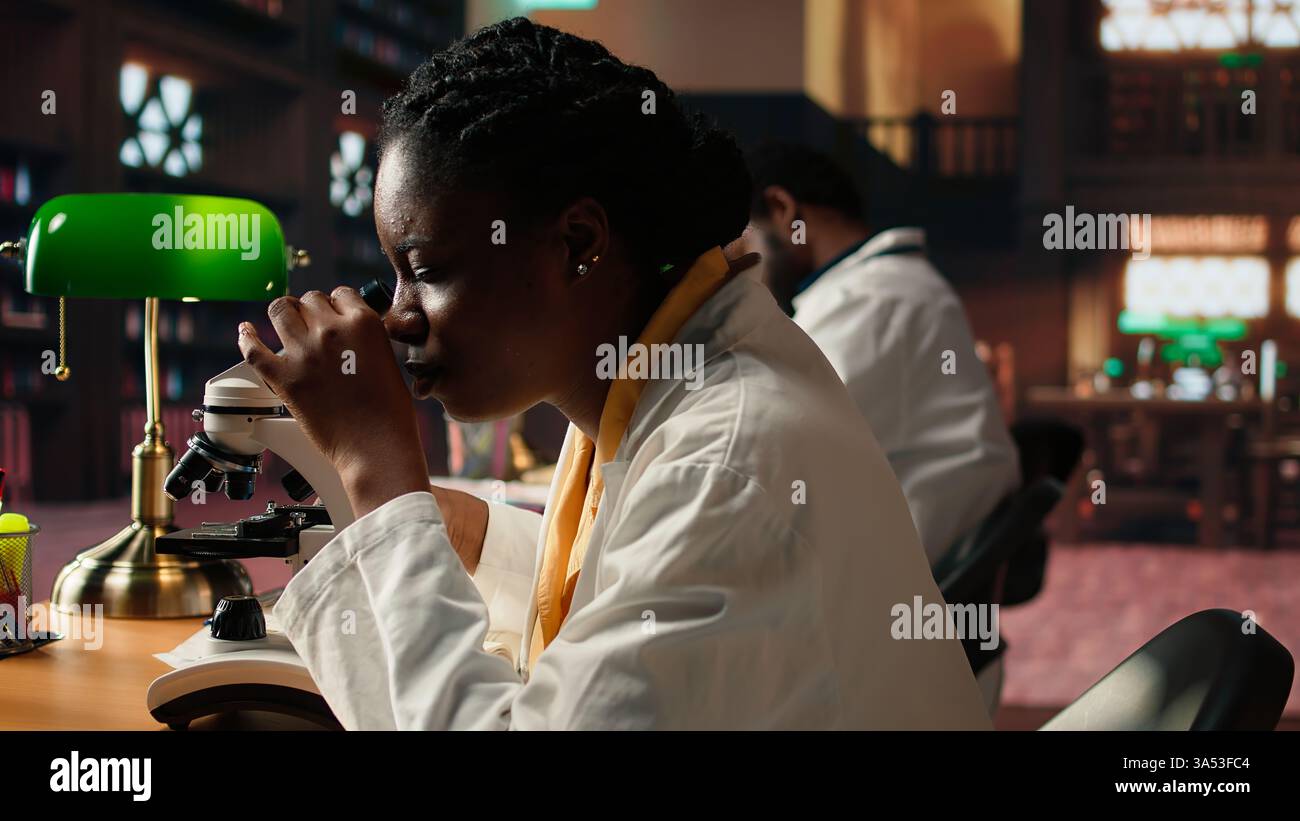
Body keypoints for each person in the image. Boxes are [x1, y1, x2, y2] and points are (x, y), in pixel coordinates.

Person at [236, 18, 989, 730]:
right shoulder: (669, 372)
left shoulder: (723, 461)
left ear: (577, 244)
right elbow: (635, 577)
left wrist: (380, 473)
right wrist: (467, 531)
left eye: (426, 270)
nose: (398, 317)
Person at [743, 142, 1021, 566]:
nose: (746, 271)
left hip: (895, 558)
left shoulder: (874, 297)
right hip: (906, 538)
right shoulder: (881, 286)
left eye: (744, 244)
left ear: (783, 209)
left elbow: (775, 437)